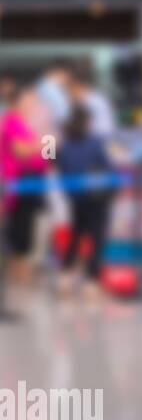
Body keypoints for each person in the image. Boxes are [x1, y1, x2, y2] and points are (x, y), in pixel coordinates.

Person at [54, 104, 114, 298]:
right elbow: (107, 166)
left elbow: (56, 164)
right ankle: (91, 281)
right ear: (89, 122)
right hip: (96, 198)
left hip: (75, 197)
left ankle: (65, 277)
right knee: (96, 238)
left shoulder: (64, 143)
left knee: (76, 235)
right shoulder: (95, 142)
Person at [1, 84, 51, 287]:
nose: (32, 105)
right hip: (19, 181)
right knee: (20, 225)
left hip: (33, 180)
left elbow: (48, 155)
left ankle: (21, 266)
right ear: (17, 102)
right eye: (28, 100)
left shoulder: (26, 124)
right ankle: (17, 268)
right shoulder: (12, 122)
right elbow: (20, 151)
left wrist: (47, 145)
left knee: (27, 223)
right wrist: (45, 143)